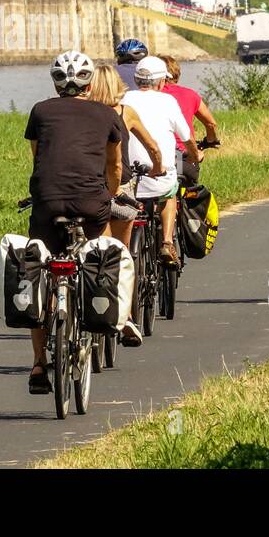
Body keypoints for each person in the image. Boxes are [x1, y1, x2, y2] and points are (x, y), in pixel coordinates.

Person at [23, 51, 123, 393]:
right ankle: (116, 314)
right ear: (90, 83)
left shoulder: (40, 111)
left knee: (39, 269)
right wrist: (111, 193)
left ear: (54, 83)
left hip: (47, 202)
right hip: (91, 202)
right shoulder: (107, 113)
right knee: (104, 247)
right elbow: (114, 167)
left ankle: (38, 363)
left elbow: (40, 159)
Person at [89, 63, 164, 346]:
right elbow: (152, 146)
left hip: (91, 189)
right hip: (121, 188)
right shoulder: (124, 113)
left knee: (96, 252)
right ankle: (127, 315)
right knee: (123, 255)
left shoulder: (86, 114)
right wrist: (159, 167)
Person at [120, 56, 201, 268]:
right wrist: (195, 155)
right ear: (161, 81)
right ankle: (167, 241)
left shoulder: (124, 100)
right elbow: (186, 138)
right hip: (159, 176)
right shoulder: (168, 101)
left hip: (129, 178)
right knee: (170, 194)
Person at [161, 54, 221, 184]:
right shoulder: (190, 94)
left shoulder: (152, 96)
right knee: (189, 186)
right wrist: (210, 140)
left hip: (158, 160)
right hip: (184, 159)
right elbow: (211, 123)